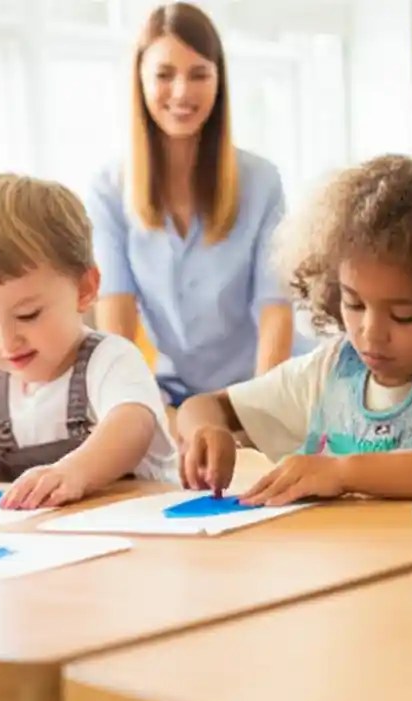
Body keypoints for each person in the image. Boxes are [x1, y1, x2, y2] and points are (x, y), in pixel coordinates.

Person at [175, 154, 412, 505]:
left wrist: (344, 472)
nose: (370, 333)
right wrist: (207, 432)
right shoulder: (331, 369)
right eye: (354, 304)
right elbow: (205, 406)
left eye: (405, 316)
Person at [0, 174, 177, 509]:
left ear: (85, 289)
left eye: (28, 315)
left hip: (142, 540)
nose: (6, 341)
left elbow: (132, 427)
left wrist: (73, 472)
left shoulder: (111, 360)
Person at [87, 1, 302, 408]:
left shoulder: (262, 182)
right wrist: (133, 411)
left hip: (260, 387)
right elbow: (117, 321)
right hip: (173, 393)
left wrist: (256, 416)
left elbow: (275, 312)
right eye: (164, 75)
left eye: (199, 74)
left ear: (218, 81)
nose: (182, 92)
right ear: (140, 81)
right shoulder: (108, 189)